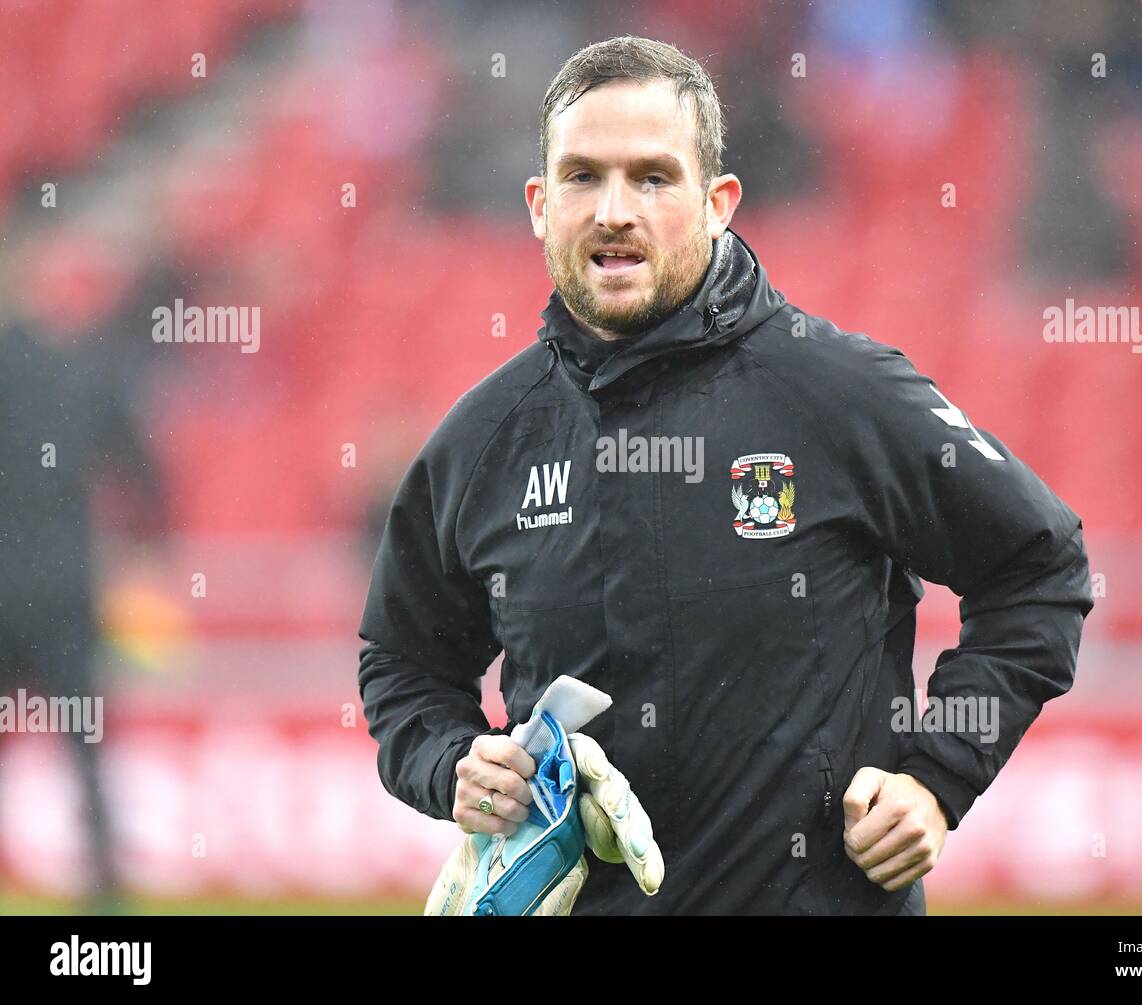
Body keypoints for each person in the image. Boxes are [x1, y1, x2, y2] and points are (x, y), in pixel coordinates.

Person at [358, 35, 1094, 916]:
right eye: (583, 176)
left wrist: (937, 779)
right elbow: (403, 663)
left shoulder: (842, 394)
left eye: (654, 177)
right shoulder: (481, 442)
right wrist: (454, 765)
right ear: (539, 206)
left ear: (719, 203)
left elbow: (1039, 568)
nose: (614, 210)